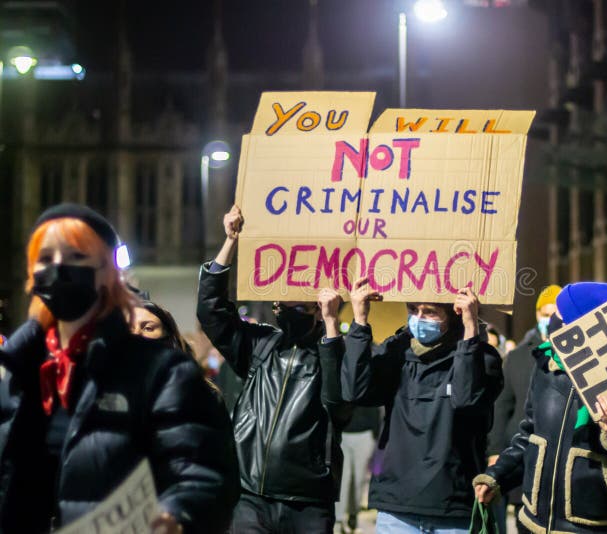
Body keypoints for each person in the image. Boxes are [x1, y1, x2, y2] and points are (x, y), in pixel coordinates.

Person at [0, 203, 239, 533]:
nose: (60, 270)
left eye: (76, 258)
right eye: (47, 259)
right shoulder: (20, 370)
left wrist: (176, 515)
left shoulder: (166, 375)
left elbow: (205, 473)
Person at [197, 204, 352, 533]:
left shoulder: (334, 348)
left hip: (308, 501)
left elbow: (339, 403)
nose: (283, 306)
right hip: (250, 494)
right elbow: (212, 312)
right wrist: (230, 241)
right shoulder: (260, 344)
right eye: (280, 301)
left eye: (297, 301)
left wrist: (331, 322)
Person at [474, 282, 607, 533]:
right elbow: (530, 435)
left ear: (581, 323)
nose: (552, 320)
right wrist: (498, 475)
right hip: (536, 524)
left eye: (559, 312)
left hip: (599, 526)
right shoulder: (545, 365)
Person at [341, 277, 503, 532]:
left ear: (454, 314)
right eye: (413, 309)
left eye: (430, 312)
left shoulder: (482, 357)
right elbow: (356, 391)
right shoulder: (396, 351)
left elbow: (466, 399)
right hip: (397, 506)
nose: (419, 317)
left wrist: (470, 332)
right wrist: (360, 323)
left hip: (452, 507)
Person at [486, 285, 561, 534]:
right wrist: (496, 450)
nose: (550, 320)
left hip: (561, 464)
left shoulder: (579, 357)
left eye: (556, 314)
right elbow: (501, 405)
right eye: (545, 313)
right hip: (524, 457)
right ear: (538, 315)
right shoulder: (519, 357)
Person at [335, 405, 380, 534]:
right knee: (343, 479)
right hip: (343, 433)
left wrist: (375, 433)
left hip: (364, 432)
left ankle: (353, 515)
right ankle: (339, 521)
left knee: (359, 480)